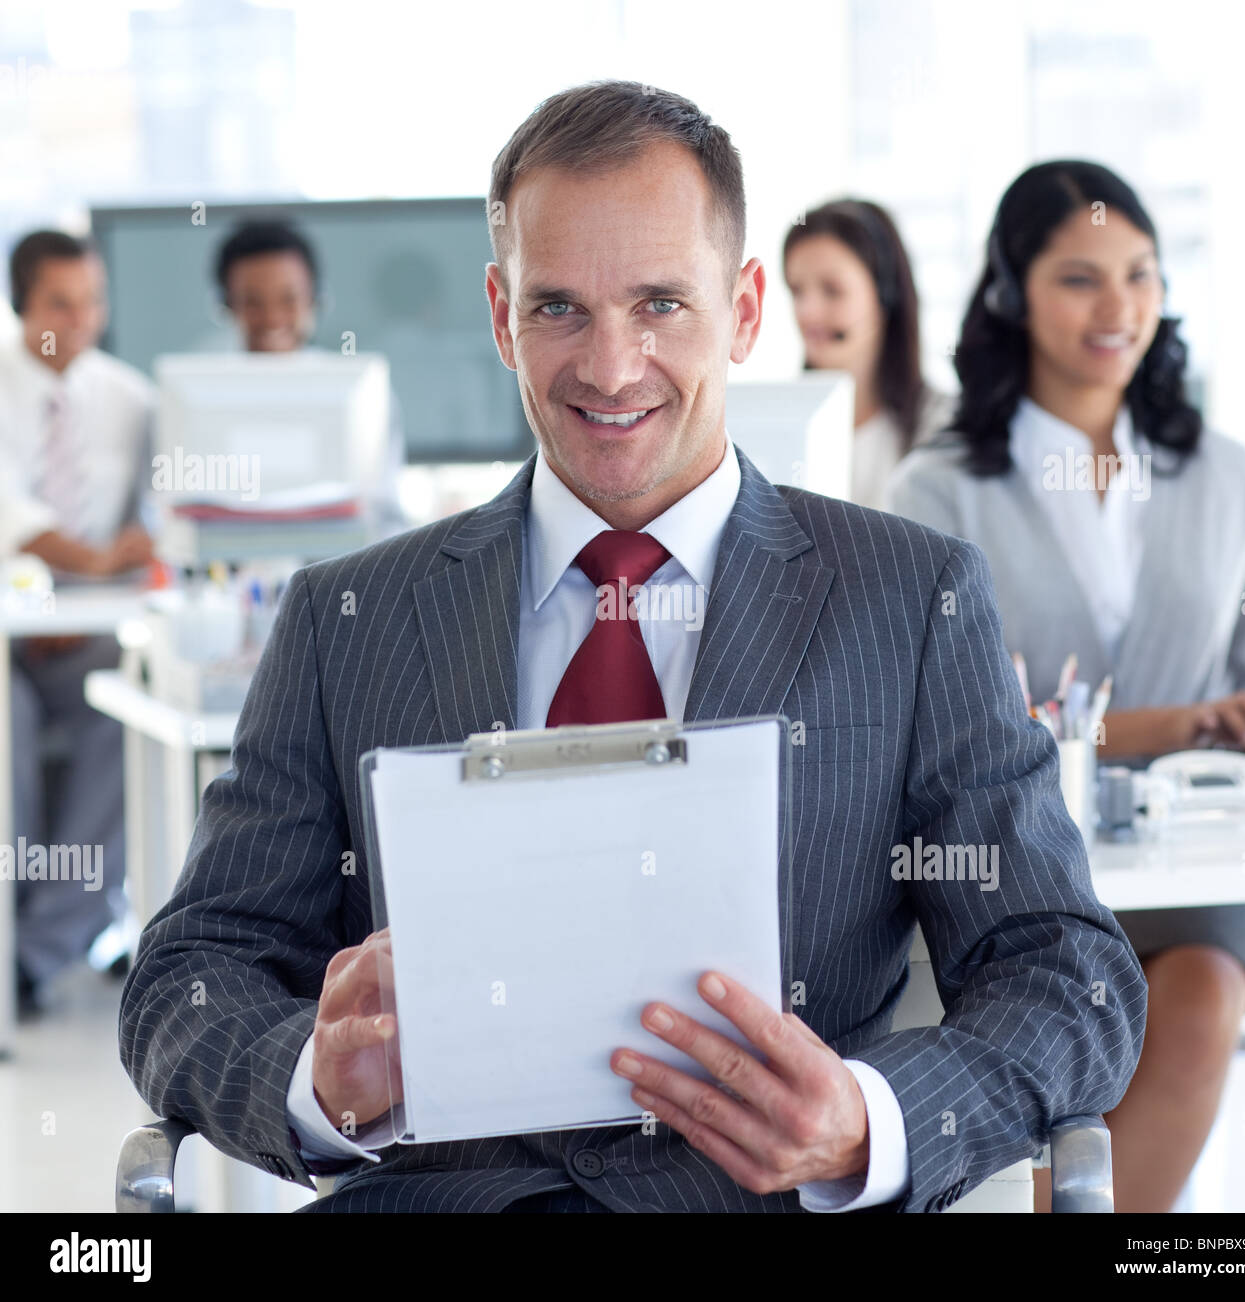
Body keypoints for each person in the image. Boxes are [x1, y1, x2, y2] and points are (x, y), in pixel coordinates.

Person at [121, 84, 1144, 1214]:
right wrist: (321, 1082)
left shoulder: (909, 596)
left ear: (746, 309)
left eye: (660, 302)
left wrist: (865, 1116)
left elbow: (1070, 975)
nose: (611, 369)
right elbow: (186, 974)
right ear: (501, 312)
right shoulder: (345, 616)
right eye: (560, 308)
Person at [887, 159, 1245, 1212]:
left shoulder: (1230, 478)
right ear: (1011, 294)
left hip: (1187, 873)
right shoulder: (937, 490)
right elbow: (928, 735)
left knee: (1207, 985)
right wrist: (1169, 724)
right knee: (1034, 1022)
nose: (1119, 307)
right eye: (1080, 277)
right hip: (1012, 867)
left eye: (1141, 274)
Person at [0, 229, 156, 1015]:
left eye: (93, 299)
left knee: (122, 716)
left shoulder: (129, 400)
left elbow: (153, 521)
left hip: (83, 638)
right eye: (62, 302)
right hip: (7, 643)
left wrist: (123, 562)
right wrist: (86, 565)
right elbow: (11, 516)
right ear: (21, 304)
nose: (83, 318)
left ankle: (38, 952)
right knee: (9, 733)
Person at [213, 219, 408, 532]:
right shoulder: (202, 392)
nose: (272, 317)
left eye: (288, 299)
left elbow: (383, 513)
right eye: (253, 302)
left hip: (341, 570)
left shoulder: (362, 394)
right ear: (226, 306)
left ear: (315, 300)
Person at [783, 200, 950, 509]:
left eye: (832, 290)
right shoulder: (780, 422)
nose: (806, 312)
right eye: (797, 291)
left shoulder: (943, 425)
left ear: (885, 296)